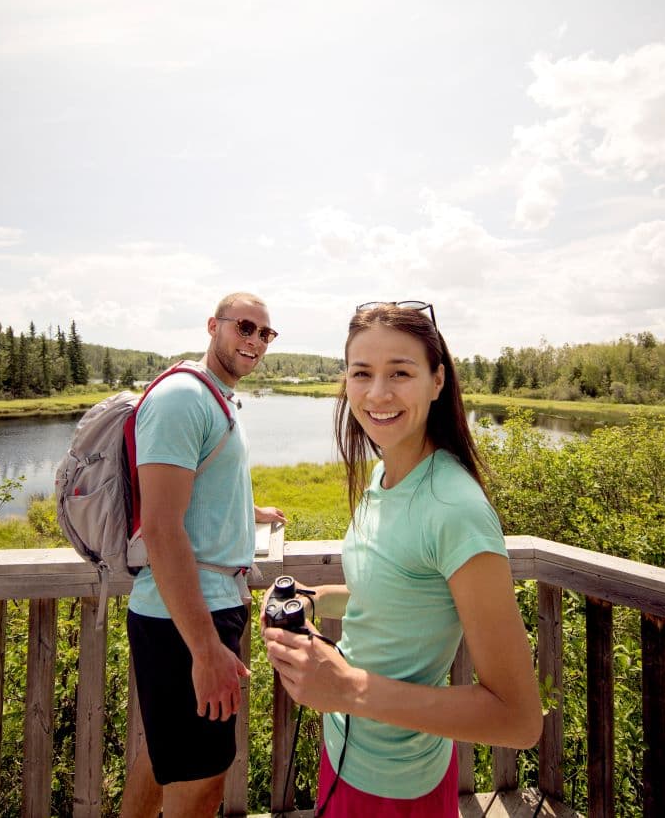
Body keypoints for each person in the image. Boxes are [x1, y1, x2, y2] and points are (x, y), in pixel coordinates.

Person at [263, 300, 542, 815]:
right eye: (361, 373)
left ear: (438, 381)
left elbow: (518, 720)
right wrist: (321, 597)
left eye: (400, 373)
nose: (377, 393)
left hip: (397, 784)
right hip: (343, 749)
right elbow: (408, 592)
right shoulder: (383, 477)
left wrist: (347, 689)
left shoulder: (454, 509)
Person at [121, 292, 287, 818]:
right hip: (187, 619)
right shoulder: (182, 399)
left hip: (195, 610)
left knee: (166, 757)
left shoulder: (214, 398)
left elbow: (193, 490)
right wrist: (207, 649)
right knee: (201, 783)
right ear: (213, 326)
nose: (255, 341)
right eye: (245, 327)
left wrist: (247, 510)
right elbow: (163, 530)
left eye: (266, 333)